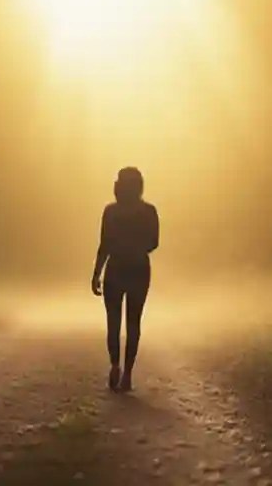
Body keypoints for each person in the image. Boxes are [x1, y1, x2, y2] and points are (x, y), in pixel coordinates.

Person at [91, 167, 158, 392]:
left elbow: (104, 245)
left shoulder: (111, 212)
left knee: (113, 322)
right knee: (133, 322)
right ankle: (128, 373)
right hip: (139, 269)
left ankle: (114, 365)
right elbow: (153, 243)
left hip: (116, 269)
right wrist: (135, 246)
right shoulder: (149, 211)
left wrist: (96, 273)